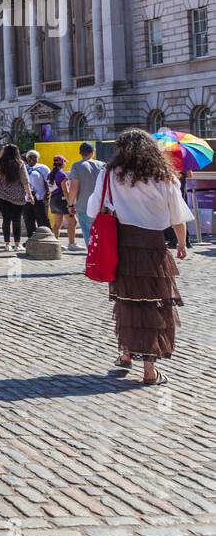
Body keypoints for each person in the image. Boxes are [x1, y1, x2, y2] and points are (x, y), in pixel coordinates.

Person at [85, 129, 193, 386]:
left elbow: (92, 209)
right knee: (155, 304)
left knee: (127, 301)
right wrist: (181, 244)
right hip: (153, 248)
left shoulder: (110, 174)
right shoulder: (164, 176)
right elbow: (178, 216)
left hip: (121, 246)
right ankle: (149, 369)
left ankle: (125, 354)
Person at [0, 144, 33, 251]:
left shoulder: (1, 163)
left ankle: (7, 244)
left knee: (6, 220)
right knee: (16, 220)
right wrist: (30, 195)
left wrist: (3, 150)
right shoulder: (20, 164)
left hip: (2, 195)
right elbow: (25, 181)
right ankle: (17, 244)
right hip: (18, 197)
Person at [68, 141, 105, 248]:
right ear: (93, 152)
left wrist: (70, 205)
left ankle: (93, 260)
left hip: (84, 206)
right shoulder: (102, 165)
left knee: (89, 237)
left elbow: (74, 187)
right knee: (101, 235)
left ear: (80, 153)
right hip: (101, 206)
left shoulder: (76, 166)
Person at [47, 154, 78, 249]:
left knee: (57, 224)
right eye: (64, 162)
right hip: (62, 201)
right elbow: (65, 190)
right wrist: (70, 204)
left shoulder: (50, 174)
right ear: (62, 163)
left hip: (53, 200)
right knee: (74, 222)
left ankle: (55, 244)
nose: (65, 164)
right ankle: (72, 244)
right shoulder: (62, 174)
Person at [23, 150, 52, 234]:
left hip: (40, 198)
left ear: (37, 158)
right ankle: (31, 239)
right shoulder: (24, 168)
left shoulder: (43, 168)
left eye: (34, 156)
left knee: (42, 219)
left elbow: (48, 182)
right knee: (28, 219)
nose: (31, 159)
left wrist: (47, 193)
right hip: (27, 198)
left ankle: (46, 237)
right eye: (29, 157)